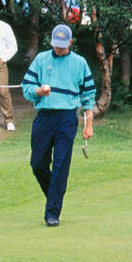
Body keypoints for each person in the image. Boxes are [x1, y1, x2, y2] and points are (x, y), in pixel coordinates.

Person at [21, 24, 95, 227]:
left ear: (70, 42)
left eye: (63, 45)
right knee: (37, 164)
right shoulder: (41, 60)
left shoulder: (79, 63)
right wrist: (38, 92)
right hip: (44, 116)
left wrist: (88, 125)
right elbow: (26, 86)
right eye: (56, 45)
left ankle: (52, 212)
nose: (59, 49)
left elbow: (88, 95)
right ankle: (54, 196)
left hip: (67, 118)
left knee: (61, 164)